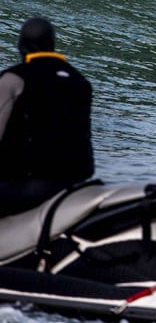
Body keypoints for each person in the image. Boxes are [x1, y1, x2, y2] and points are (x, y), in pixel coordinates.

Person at [0, 17, 95, 216]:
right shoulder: (81, 82)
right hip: (75, 183)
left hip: (26, 185)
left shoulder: (14, 78)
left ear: (21, 46)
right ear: (52, 44)